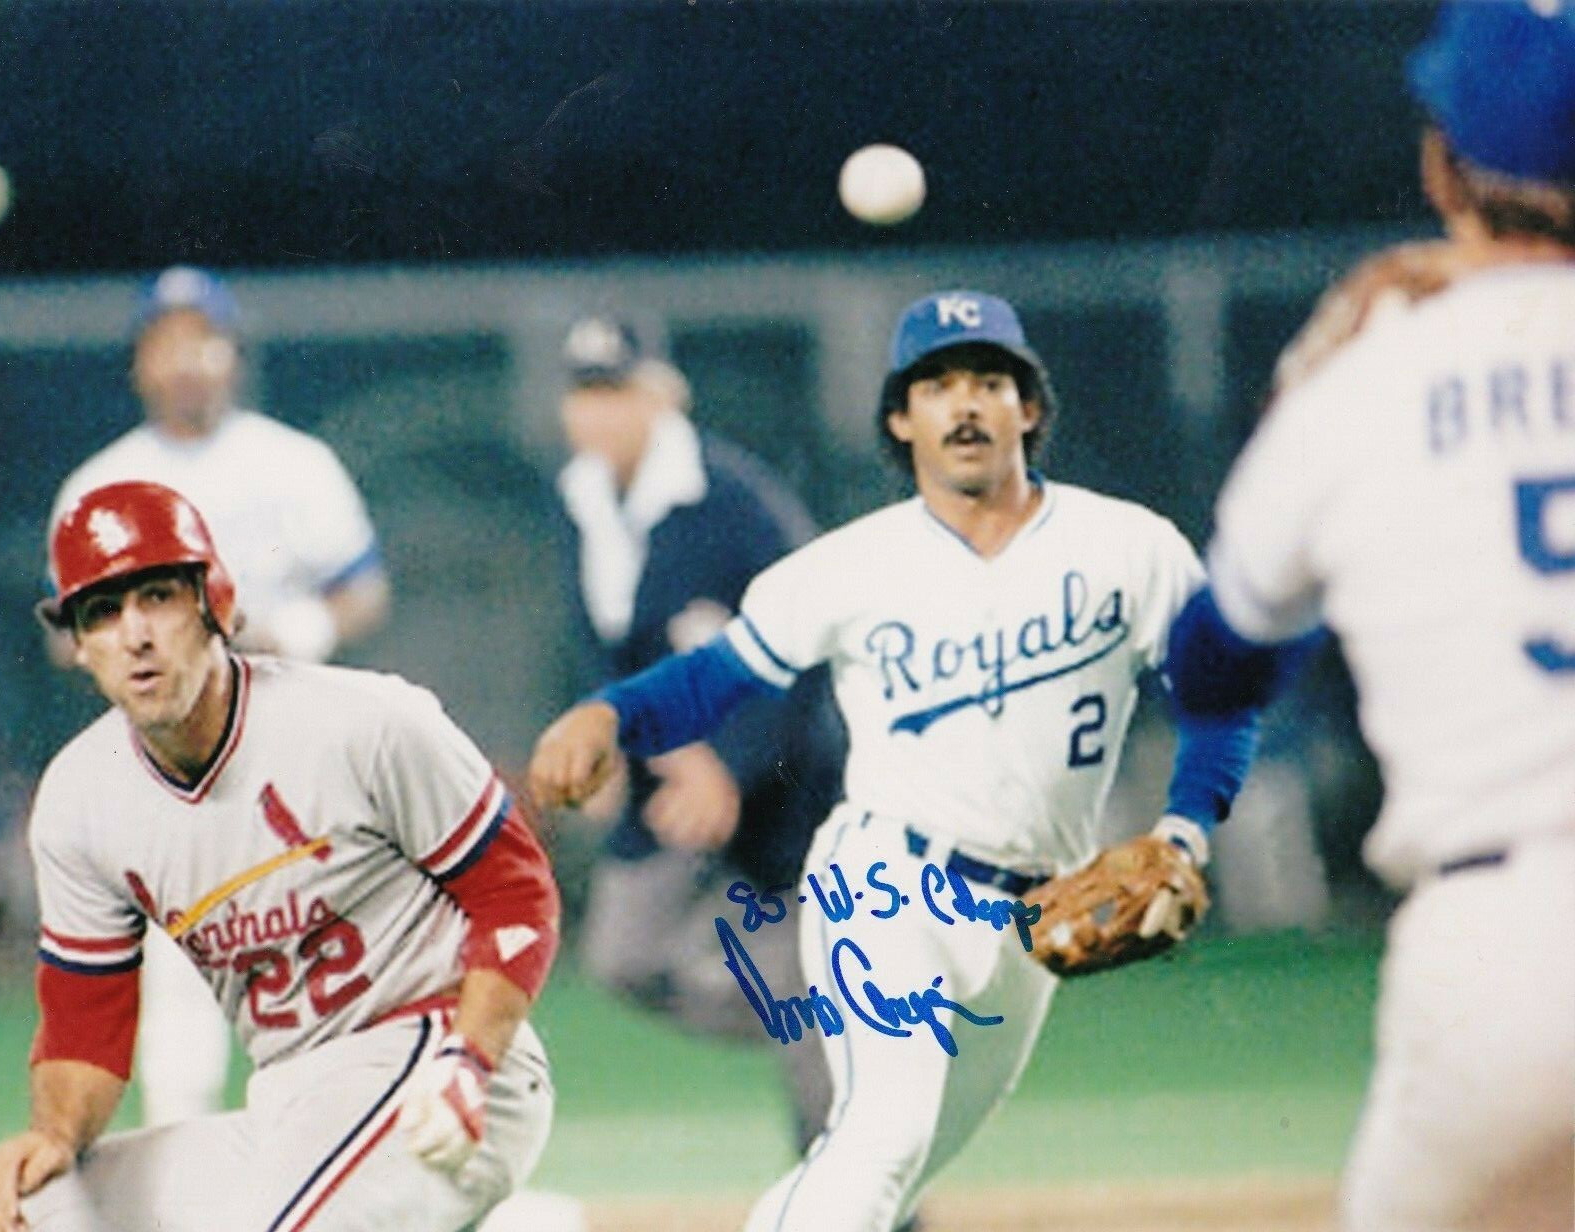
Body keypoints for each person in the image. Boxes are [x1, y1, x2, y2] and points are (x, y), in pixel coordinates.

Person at [530, 291, 1257, 1232]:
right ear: (900, 419)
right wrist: (610, 714)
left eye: (989, 381)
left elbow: (1220, 694)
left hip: (1031, 921)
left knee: (877, 1177)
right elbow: (720, 674)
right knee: (879, 1144)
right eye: (937, 385)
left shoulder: (1129, 548)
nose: (964, 405)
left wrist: (1186, 831)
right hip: (884, 884)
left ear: (1028, 409)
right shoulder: (853, 564)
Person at [1165, 7, 1575, 1230]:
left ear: (1440, 166)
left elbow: (1213, 659)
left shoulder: (1368, 374)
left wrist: (1316, 384)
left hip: (1503, 956)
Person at [0, 480, 559, 1232]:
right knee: (17, 1218)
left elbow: (516, 895)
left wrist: (472, 1058)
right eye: (103, 612)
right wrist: (54, 1136)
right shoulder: (81, 801)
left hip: (439, 1064)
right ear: (79, 647)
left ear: (214, 602)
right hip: (290, 1103)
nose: (135, 633)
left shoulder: (363, 722)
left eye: (157, 596)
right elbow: (86, 1021)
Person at [47, 265, 392, 1127]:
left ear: (233, 355)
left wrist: (300, 628)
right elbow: (63, 631)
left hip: (295, 750)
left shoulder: (292, 460)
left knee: (337, 977)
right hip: (167, 765)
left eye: (203, 341)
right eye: (166, 344)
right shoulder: (101, 483)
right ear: (139, 363)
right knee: (178, 1014)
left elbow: (364, 586)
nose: (186, 361)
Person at [550, 312, 840, 1149]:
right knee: (621, 957)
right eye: (584, 395)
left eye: (615, 392)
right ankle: (843, 1020)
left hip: (785, 777)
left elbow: (805, 644)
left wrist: (728, 763)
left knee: (821, 1088)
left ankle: (863, 1192)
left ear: (661, 395)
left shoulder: (733, 498)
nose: (597, 414)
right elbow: (599, 647)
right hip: (667, 773)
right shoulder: (581, 497)